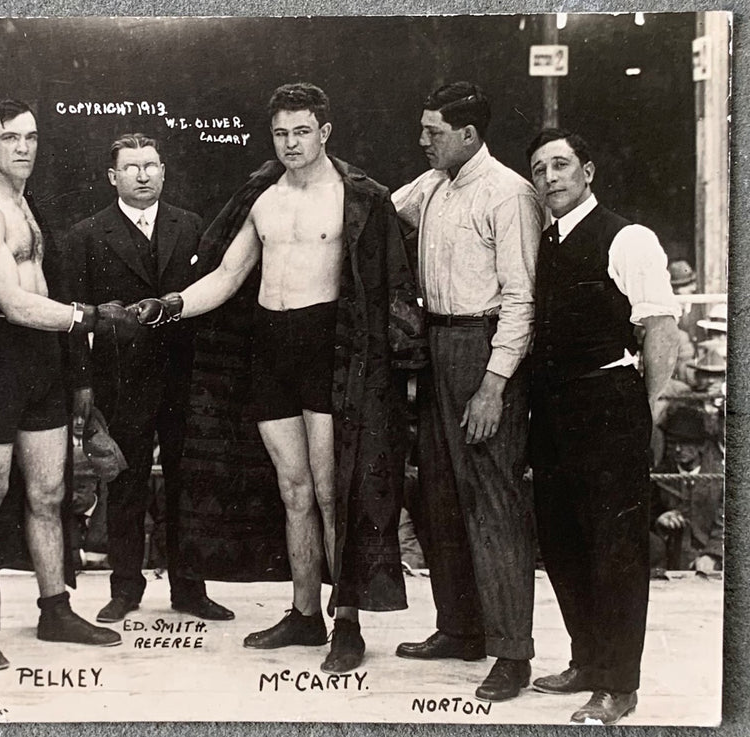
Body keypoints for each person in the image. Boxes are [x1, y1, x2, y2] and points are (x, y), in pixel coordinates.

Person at [133, 82, 419, 673]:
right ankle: (305, 612)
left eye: (302, 131)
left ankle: (347, 623)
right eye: (281, 133)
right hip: (270, 349)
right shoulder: (262, 198)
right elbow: (228, 275)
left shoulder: (355, 197)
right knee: (293, 489)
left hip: (326, 347)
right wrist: (172, 305)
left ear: (324, 132)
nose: (291, 143)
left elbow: (385, 287)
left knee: (330, 490)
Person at [0, 100, 136, 670]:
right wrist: (88, 318)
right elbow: (14, 302)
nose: (24, 148)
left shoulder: (26, 202)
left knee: (49, 492)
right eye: (11, 138)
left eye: (32, 138)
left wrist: (76, 367)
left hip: (42, 359)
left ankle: (54, 608)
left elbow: (46, 285)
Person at [391, 82, 541, 702]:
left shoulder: (510, 194)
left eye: (433, 131)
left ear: (468, 134)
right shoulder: (431, 185)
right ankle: (460, 628)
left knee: (493, 504)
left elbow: (522, 300)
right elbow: (377, 209)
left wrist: (493, 386)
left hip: (484, 350)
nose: (422, 140)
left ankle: (512, 653)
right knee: (441, 495)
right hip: (435, 346)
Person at [525, 128, 679, 725]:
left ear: (587, 171)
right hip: (554, 409)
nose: (550, 178)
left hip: (609, 404)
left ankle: (619, 685)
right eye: (539, 169)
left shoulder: (628, 237)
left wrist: (640, 408)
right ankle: (587, 661)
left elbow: (660, 328)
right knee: (563, 540)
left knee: (615, 549)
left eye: (561, 165)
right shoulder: (546, 241)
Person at [56, 133, 233, 624]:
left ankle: (190, 589)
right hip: (121, 380)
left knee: (186, 482)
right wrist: (83, 384)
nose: (142, 175)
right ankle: (125, 588)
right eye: (131, 167)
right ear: (112, 176)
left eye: (151, 165)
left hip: (184, 377)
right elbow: (75, 318)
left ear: (163, 171)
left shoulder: (189, 224)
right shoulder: (86, 234)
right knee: (126, 484)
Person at [650, 405, 723, 573]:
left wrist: (712, 555)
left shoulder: (720, 478)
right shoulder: (660, 476)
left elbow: (728, 524)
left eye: (684, 443)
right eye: (673, 443)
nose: (677, 449)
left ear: (701, 446)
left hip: (711, 563)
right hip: (668, 563)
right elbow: (646, 513)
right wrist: (659, 520)